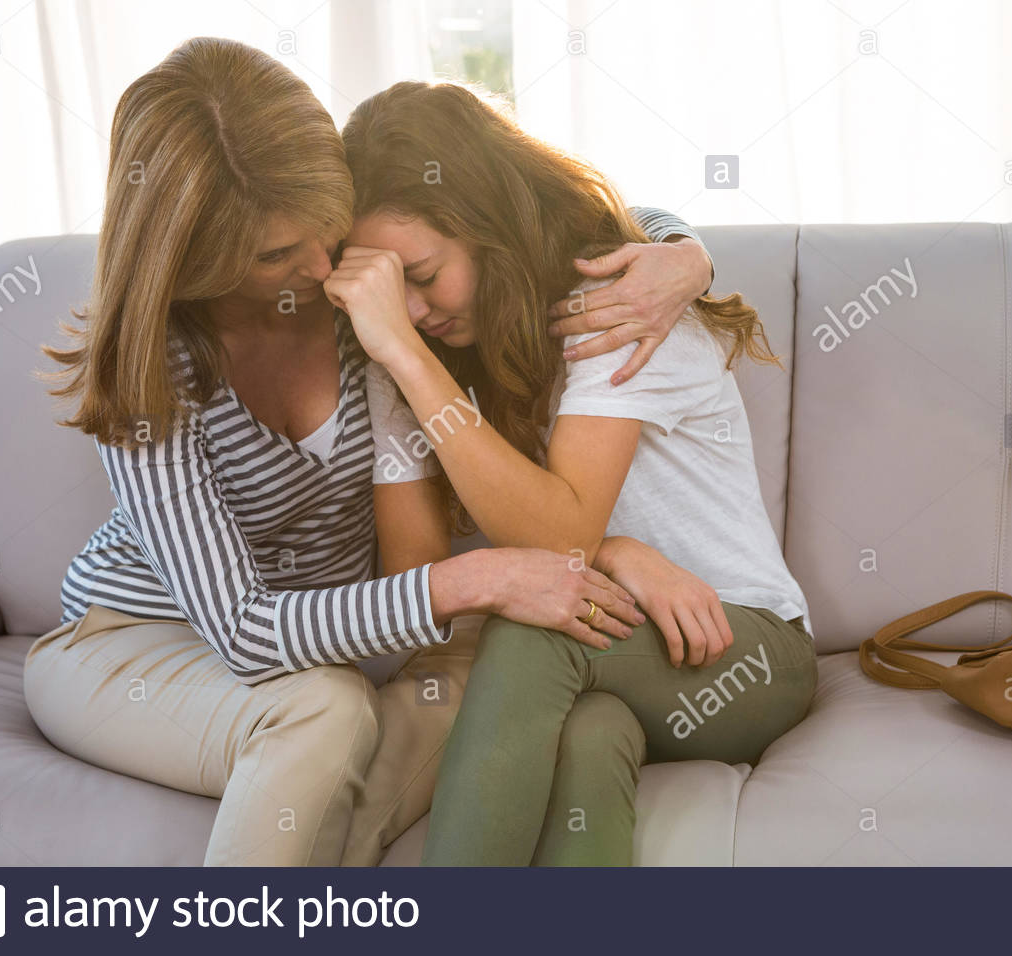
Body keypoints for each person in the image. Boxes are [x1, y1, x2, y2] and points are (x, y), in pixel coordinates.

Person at [25, 37, 715, 866]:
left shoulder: (376, 304)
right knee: (325, 711)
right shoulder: (157, 365)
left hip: (335, 658)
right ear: (192, 255)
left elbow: (526, 207)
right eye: (276, 256)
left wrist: (683, 256)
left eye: (324, 228)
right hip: (137, 643)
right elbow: (244, 636)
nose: (321, 268)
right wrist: (483, 575)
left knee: (493, 671)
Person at [327, 80, 819, 866]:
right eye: (390, 296)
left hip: (745, 647)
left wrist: (410, 362)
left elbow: (561, 535)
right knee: (591, 735)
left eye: (422, 275)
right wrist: (618, 556)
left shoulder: (614, 310)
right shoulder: (411, 354)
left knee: (537, 629)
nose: (410, 313)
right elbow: (420, 584)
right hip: (625, 656)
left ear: (486, 227)